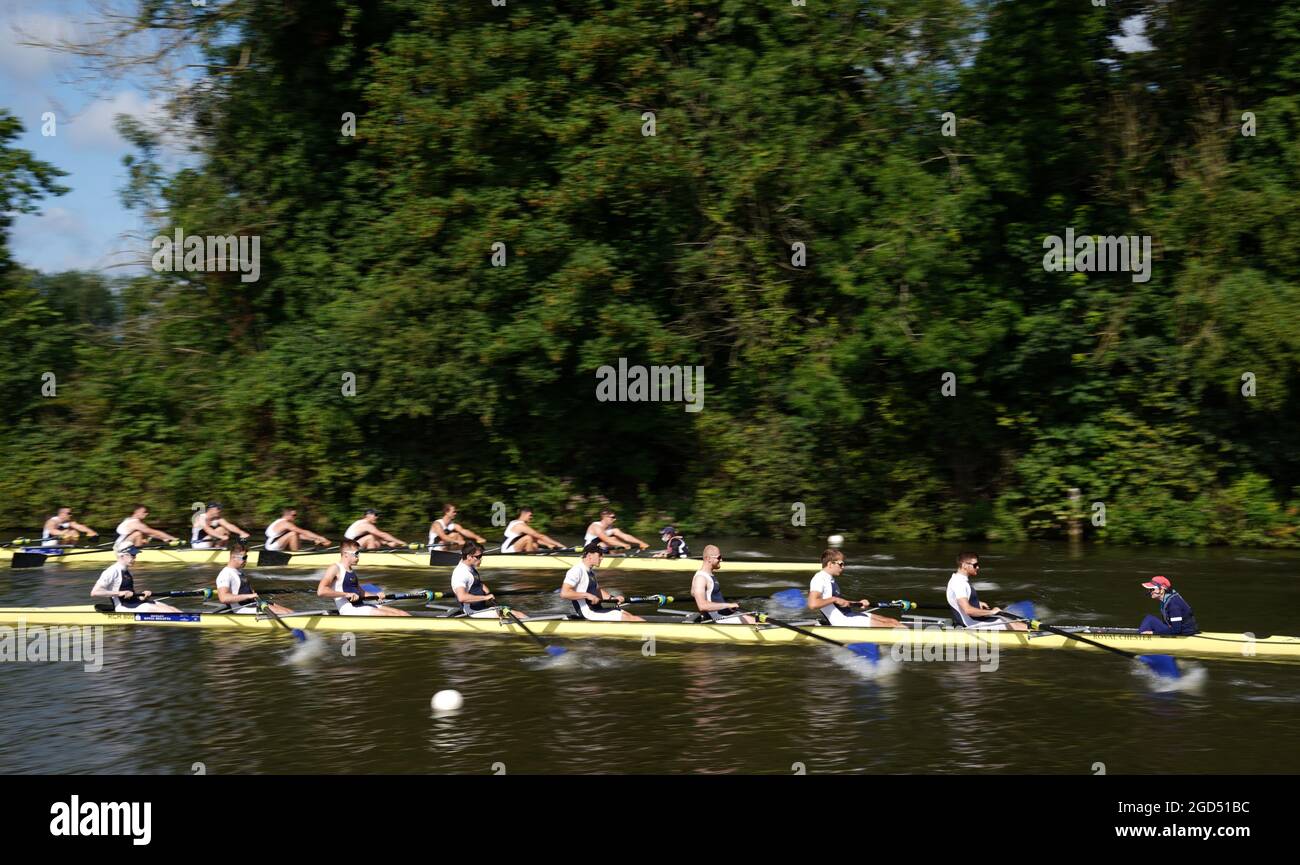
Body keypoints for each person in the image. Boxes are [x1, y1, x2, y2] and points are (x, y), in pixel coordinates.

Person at [807, 549, 906, 627]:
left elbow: (839, 603)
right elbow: (813, 604)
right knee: (891, 626)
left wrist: (858, 603)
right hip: (843, 621)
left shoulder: (830, 579)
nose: (843, 567)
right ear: (830, 564)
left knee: (893, 621)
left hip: (849, 614)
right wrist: (835, 599)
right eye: (841, 564)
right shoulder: (819, 578)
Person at [316, 539, 410, 616]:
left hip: (361, 606)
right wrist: (346, 594)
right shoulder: (335, 568)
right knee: (390, 616)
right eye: (356, 553)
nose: (358, 557)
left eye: (359, 553)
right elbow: (321, 591)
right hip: (349, 610)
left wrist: (376, 596)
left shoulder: (351, 570)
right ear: (345, 554)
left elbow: (360, 592)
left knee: (403, 614)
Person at [560, 541, 644, 622]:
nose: (602, 558)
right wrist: (587, 595)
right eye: (599, 555)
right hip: (588, 612)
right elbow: (564, 593)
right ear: (589, 556)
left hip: (597, 607)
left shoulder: (590, 572)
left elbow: (597, 590)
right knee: (629, 618)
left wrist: (612, 598)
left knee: (630, 616)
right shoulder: (576, 570)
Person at [945, 552, 1028, 631]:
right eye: (975, 565)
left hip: (972, 620)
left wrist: (977, 603)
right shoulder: (959, 583)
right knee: (1014, 624)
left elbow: (960, 599)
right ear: (964, 565)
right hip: (971, 624)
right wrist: (991, 612)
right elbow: (968, 610)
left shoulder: (957, 579)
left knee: (1009, 620)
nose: (978, 567)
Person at [450, 542, 527, 618]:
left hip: (479, 608)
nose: (481, 559)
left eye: (481, 556)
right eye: (478, 557)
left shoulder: (469, 566)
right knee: (517, 615)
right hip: (472, 613)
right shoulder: (460, 573)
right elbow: (462, 597)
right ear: (469, 557)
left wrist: (487, 591)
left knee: (517, 613)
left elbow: (475, 582)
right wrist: (485, 598)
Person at [90, 547, 180, 612]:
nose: (135, 558)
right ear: (122, 556)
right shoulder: (111, 571)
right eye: (132, 555)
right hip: (123, 607)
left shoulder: (126, 570)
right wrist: (120, 593)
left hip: (134, 603)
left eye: (135, 556)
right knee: (166, 611)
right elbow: (95, 592)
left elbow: (130, 594)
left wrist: (143, 597)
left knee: (172, 609)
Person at [215, 547, 293, 615]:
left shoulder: (239, 571)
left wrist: (252, 594)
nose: (246, 561)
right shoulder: (225, 574)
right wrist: (249, 596)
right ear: (234, 557)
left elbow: (247, 590)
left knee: (290, 612)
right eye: (244, 557)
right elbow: (223, 598)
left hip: (252, 604)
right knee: (284, 613)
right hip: (241, 609)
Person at [690, 544, 753, 623]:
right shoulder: (701, 578)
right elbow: (702, 606)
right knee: (757, 623)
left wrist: (728, 608)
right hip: (718, 620)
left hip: (723, 615)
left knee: (756, 619)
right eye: (719, 557)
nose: (721, 560)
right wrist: (728, 605)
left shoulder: (707, 576)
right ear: (708, 558)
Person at [112, 505, 179, 552]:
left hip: (123, 542)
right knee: (138, 534)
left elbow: (151, 534)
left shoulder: (130, 520)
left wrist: (164, 538)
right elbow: (154, 532)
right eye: (144, 512)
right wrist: (173, 538)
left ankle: (137, 548)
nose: (146, 513)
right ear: (136, 512)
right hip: (120, 547)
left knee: (144, 537)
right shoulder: (135, 523)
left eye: (147, 512)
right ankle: (137, 552)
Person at [264, 507, 331, 552]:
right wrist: (321, 538)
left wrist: (315, 540)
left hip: (273, 545)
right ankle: (296, 553)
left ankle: (294, 552)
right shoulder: (285, 523)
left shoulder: (282, 522)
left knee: (294, 534)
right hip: (271, 547)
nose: (295, 517)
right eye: (294, 515)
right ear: (287, 515)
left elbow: (300, 536)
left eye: (296, 515)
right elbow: (303, 531)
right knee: (293, 533)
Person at [583, 509, 648, 551]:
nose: (615, 519)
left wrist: (640, 542)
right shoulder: (596, 526)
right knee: (607, 542)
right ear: (605, 517)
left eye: (615, 517)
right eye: (613, 517)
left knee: (614, 538)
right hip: (590, 549)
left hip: (603, 548)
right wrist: (623, 545)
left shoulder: (611, 527)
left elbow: (625, 536)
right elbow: (606, 540)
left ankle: (618, 556)